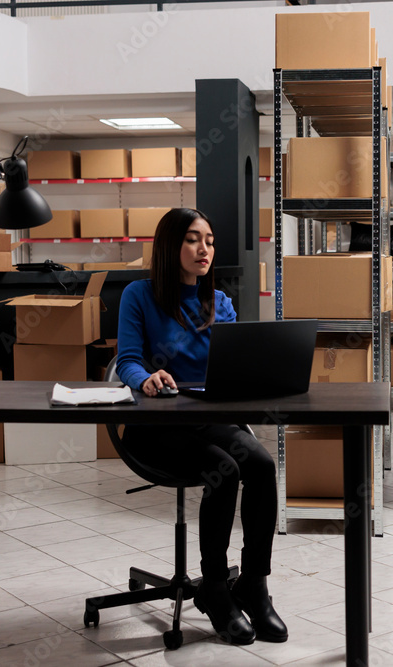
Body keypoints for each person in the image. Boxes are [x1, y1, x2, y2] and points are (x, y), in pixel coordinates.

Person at [115, 208, 286, 646]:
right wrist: (145, 379)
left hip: (209, 418)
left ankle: (253, 583)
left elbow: (230, 367)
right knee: (225, 470)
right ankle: (214, 588)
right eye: (193, 239)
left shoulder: (220, 302)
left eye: (209, 240)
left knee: (262, 465)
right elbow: (129, 360)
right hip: (155, 427)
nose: (204, 249)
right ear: (170, 246)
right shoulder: (138, 295)